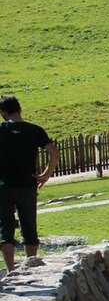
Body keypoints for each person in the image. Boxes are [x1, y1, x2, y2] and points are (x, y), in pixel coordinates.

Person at [0, 95, 59, 276]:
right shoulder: (34, 130)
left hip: (3, 186)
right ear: (20, 108)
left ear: (3, 113)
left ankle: (11, 269)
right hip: (27, 184)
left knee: (5, 228)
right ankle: (30, 267)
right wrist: (45, 175)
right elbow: (54, 154)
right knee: (29, 225)